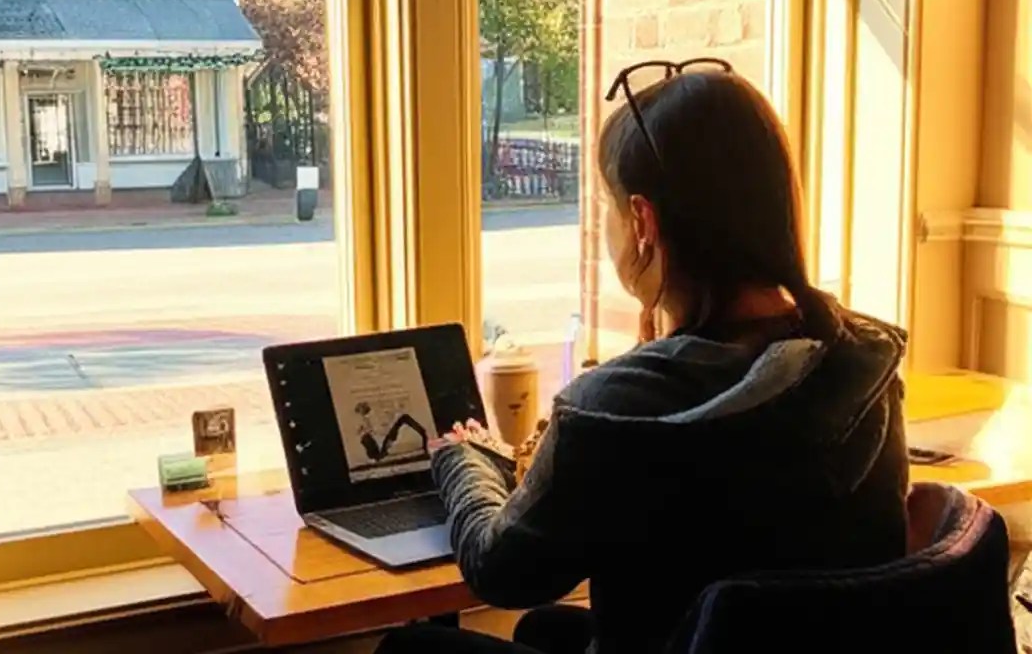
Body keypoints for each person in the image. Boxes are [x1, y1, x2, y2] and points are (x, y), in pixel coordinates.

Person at [376, 60, 909, 653]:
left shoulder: (616, 412)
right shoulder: (865, 360)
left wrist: (464, 458)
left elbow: (503, 570)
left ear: (642, 221)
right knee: (547, 630)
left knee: (413, 649)